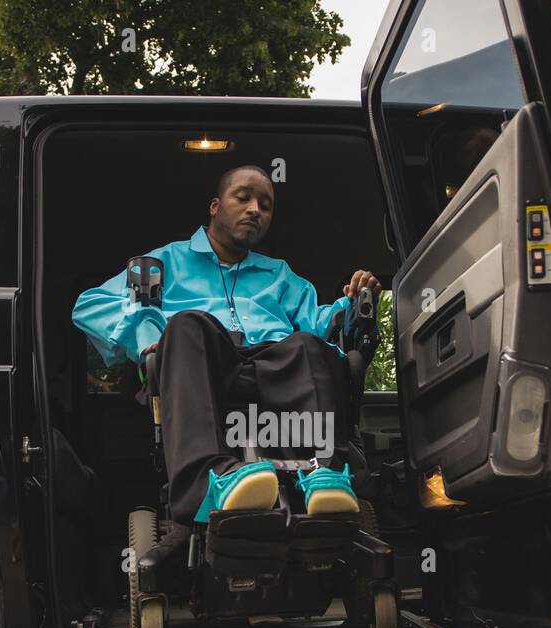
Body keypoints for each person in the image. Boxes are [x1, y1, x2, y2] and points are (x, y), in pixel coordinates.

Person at [72, 164, 380, 561]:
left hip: (275, 368)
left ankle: (323, 475)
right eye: (244, 198)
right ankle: (214, 481)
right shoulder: (165, 262)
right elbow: (89, 306)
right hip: (202, 364)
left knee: (308, 344)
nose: (255, 209)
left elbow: (322, 325)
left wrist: (353, 304)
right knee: (186, 325)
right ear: (216, 206)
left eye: (265, 205)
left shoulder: (280, 275)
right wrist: (147, 336)